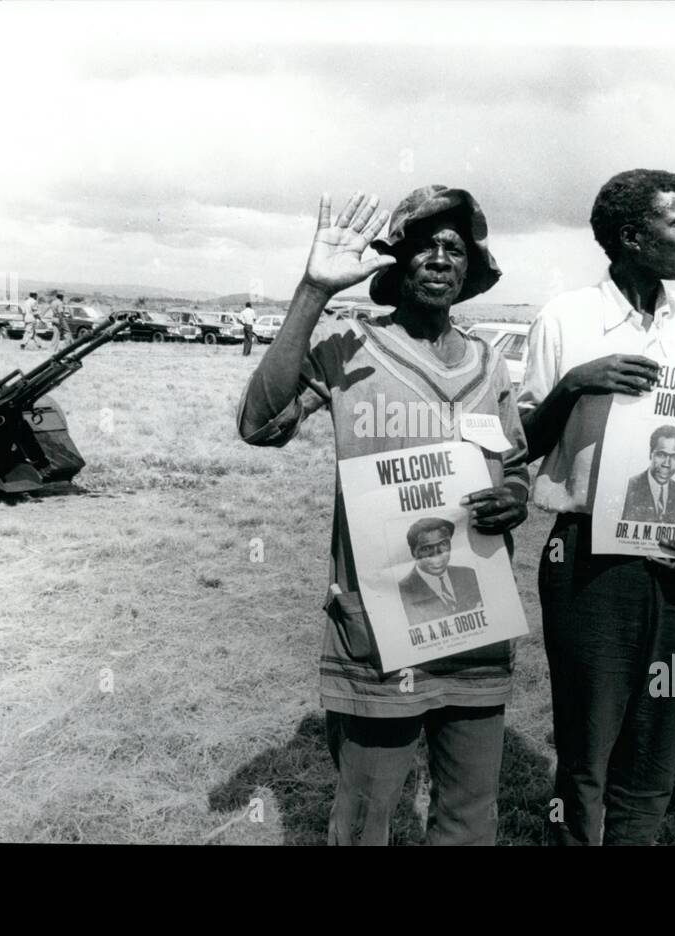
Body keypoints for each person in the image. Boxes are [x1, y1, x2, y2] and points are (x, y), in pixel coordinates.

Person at [238, 186, 528, 846]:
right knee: (367, 818)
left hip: (474, 623)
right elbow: (258, 425)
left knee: (469, 817)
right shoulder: (349, 350)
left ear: (469, 269)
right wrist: (312, 290)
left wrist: (513, 496)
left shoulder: (489, 363)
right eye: (424, 243)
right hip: (379, 626)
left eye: (454, 247)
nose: (439, 256)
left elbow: (515, 465)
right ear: (394, 261)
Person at [518, 168, 675, 845]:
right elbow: (517, 444)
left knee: (652, 745)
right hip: (589, 566)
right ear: (634, 237)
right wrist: (578, 384)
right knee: (588, 748)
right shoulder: (566, 319)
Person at [397, 517, 483, 626]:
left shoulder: (469, 574)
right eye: (426, 548)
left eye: (443, 544)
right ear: (413, 552)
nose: (437, 554)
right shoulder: (401, 591)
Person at [621, 425, 675, 524]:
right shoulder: (628, 488)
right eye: (661, 455)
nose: (667, 464)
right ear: (650, 453)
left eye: (674, 457)